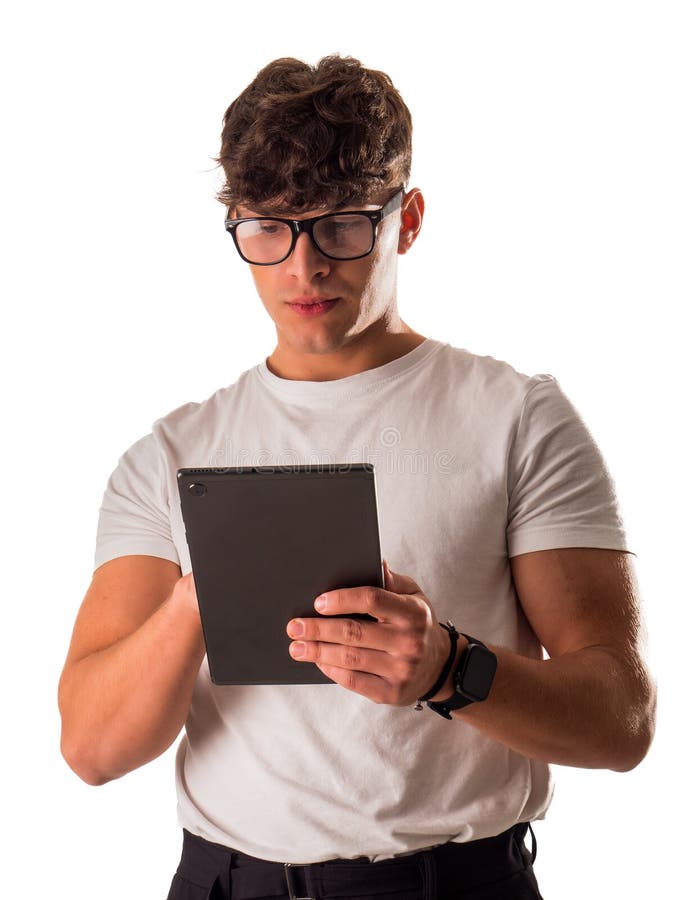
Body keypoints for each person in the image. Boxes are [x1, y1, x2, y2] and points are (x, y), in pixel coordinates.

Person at [58, 54, 656, 900]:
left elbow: (620, 722)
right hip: (228, 884)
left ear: (404, 219)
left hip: (457, 884)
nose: (304, 268)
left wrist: (449, 669)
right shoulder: (171, 453)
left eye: (340, 225)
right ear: (235, 224)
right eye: (268, 227)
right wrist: (204, 591)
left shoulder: (516, 416)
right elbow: (90, 749)